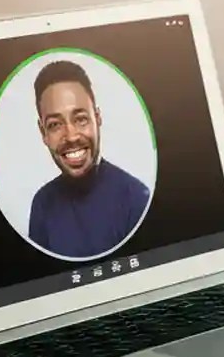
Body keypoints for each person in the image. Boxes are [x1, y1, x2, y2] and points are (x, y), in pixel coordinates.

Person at [27, 59, 150, 257]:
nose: (71, 136)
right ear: (43, 132)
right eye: (55, 125)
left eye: (81, 119)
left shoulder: (136, 199)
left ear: (97, 117)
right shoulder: (42, 204)